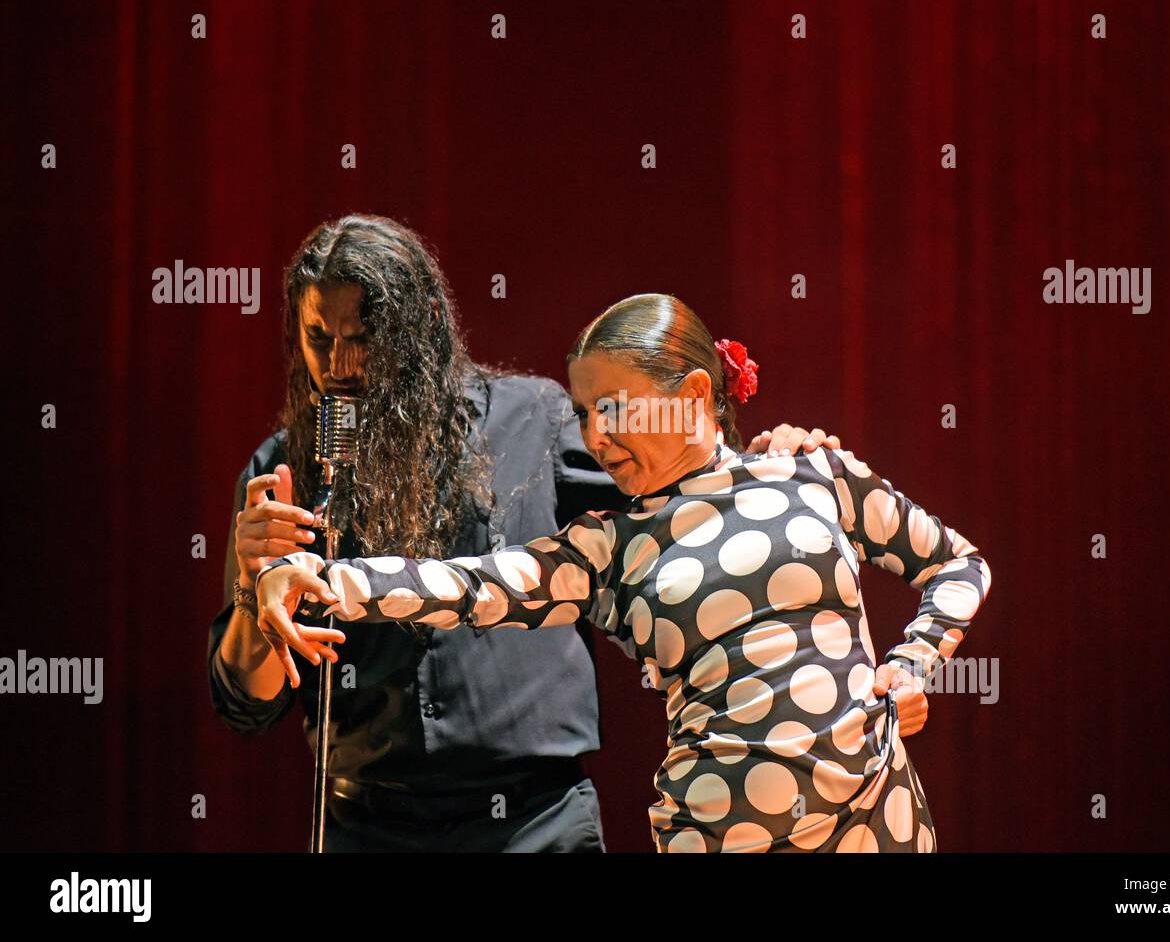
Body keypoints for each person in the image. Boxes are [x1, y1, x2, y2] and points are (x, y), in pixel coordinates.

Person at [257, 293, 993, 852]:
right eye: (582, 413)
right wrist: (320, 577)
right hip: (716, 836)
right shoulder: (609, 547)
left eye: (613, 408)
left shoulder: (813, 474)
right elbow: (470, 584)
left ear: (693, 398)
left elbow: (958, 562)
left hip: (875, 817)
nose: (595, 436)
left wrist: (909, 665)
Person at [211, 215, 842, 851]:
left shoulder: (533, 421)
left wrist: (767, 467)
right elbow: (248, 703)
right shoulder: (284, 471)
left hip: (532, 825)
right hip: (368, 826)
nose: (339, 366)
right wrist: (250, 584)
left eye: (364, 337)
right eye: (320, 338)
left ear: (423, 322)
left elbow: (683, 500)